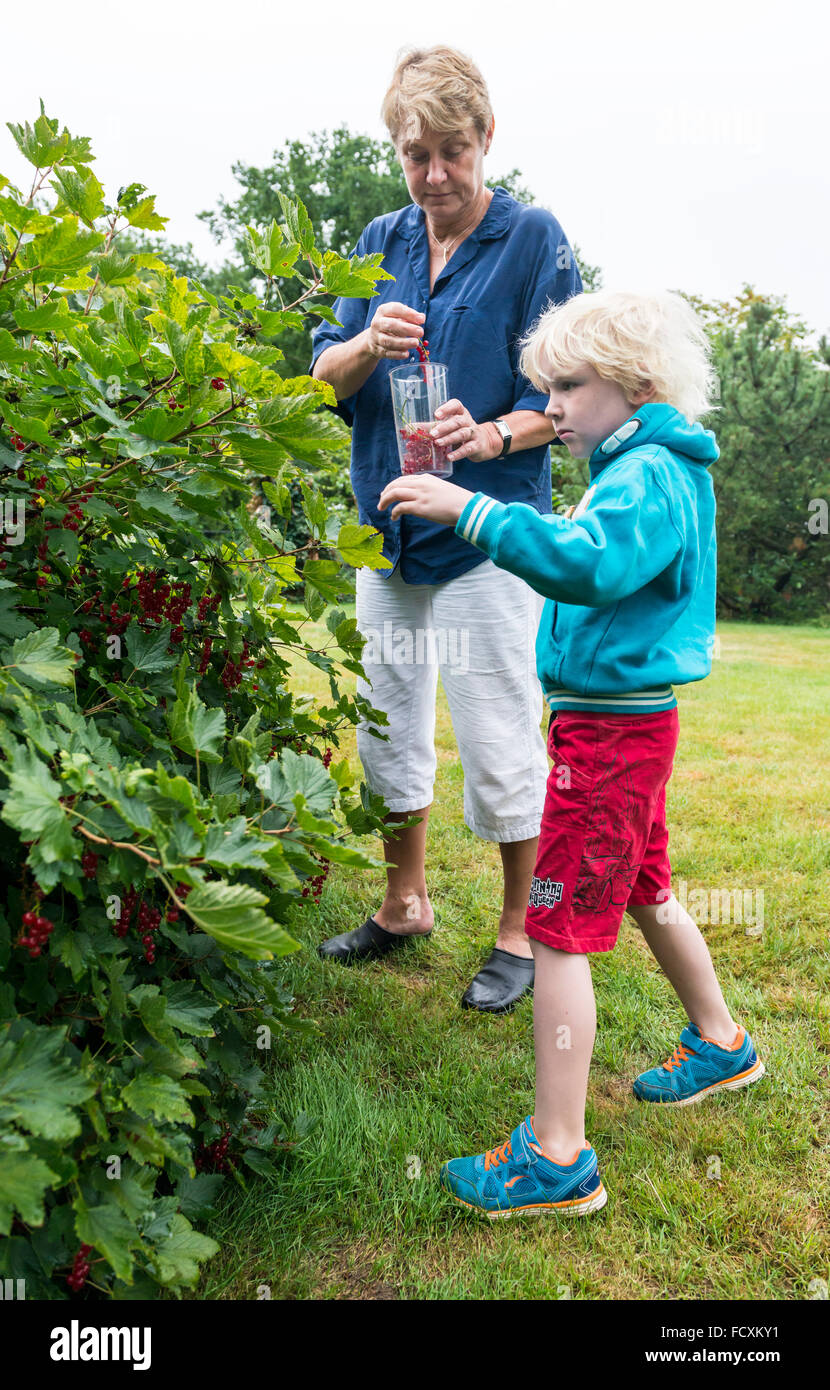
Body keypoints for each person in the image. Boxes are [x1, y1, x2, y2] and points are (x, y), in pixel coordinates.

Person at [377, 289, 766, 1217]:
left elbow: (587, 562)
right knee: (643, 882)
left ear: (630, 383)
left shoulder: (645, 476)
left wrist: (467, 512)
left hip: (611, 735)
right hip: (623, 723)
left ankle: (557, 1155)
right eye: (545, 386)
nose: (549, 404)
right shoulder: (649, 463)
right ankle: (721, 1041)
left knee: (555, 928)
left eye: (566, 386)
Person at [310, 45, 582, 1012]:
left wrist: (494, 430)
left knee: (502, 733)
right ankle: (404, 904)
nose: (433, 175)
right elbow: (321, 381)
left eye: (451, 153)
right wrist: (359, 346)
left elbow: (569, 397)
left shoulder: (534, 239)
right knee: (387, 724)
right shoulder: (379, 239)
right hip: (387, 529)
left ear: (487, 139)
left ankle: (520, 930)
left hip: (489, 536)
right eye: (414, 154)